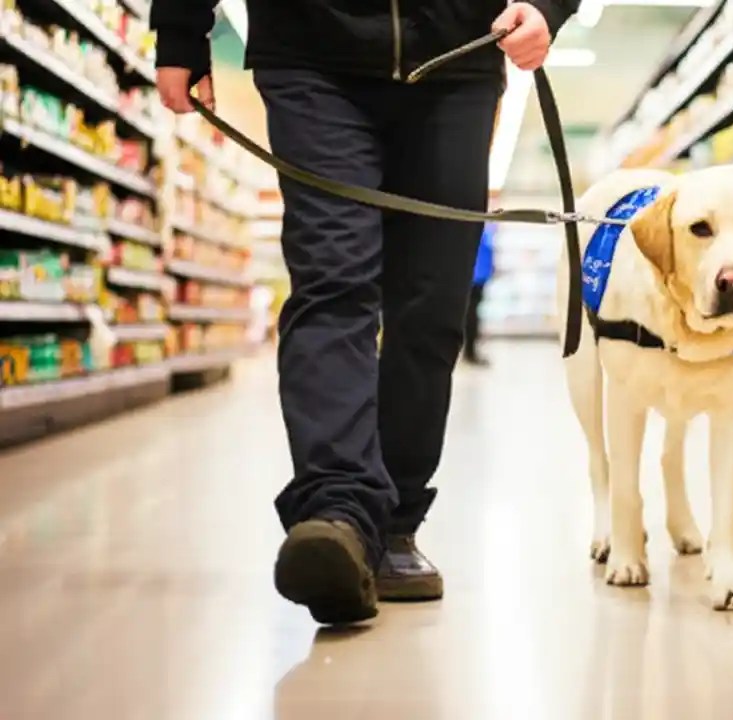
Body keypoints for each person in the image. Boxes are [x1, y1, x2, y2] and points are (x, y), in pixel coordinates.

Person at [151, 0, 579, 624]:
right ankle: (338, 514)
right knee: (332, 283)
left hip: (457, 58)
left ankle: (396, 522)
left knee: (431, 303)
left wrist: (547, 7)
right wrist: (180, 31)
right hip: (310, 54)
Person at [463, 221, 497, 367]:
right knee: (471, 314)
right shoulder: (482, 229)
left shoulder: (480, 228)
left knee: (470, 313)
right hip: (475, 276)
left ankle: (469, 350)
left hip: (476, 275)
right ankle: (469, 352)